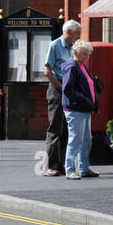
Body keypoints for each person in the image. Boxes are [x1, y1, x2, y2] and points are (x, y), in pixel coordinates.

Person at [43, 20, 82, 177]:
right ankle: (52, 166)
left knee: (67, 129)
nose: (79, 36)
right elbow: (47, 70)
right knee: (55, 128)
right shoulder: (55, 45)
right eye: (77, 33)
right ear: (69, 32)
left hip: (69, 91)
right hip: (57, 91)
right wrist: (59, 86)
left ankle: (64, 165)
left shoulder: (74, 48)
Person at [60, 39, 100, 180]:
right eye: (84, 54)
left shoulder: (81, 66)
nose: (87, 57)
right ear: (76, 52)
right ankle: (70, 169)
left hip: (84, 109)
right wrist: (84, 98)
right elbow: (67, 90)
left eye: (88, 54)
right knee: (76, 139)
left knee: (86, 140)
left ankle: (83, 168)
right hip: (75, 110)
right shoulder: (71, 67)